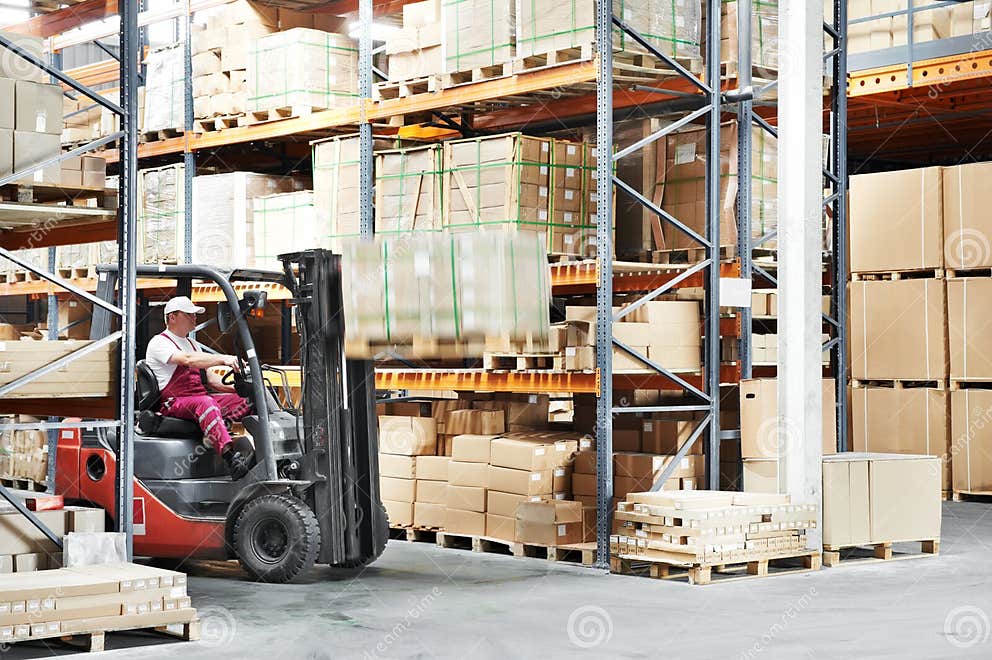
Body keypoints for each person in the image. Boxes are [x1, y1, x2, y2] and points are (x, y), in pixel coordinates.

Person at [145, 296, 254, 479]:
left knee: (249, 399)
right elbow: (187, 360)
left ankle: (264, 450)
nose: (195, 318)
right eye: (190, 314)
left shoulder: (192, 344)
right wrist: (224, 358)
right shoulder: (159, 342)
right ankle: (231, 459)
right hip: (173, 403)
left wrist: (238, 389)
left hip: (198, 398)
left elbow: (209, 378)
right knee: (207, 403)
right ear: (172, 317)